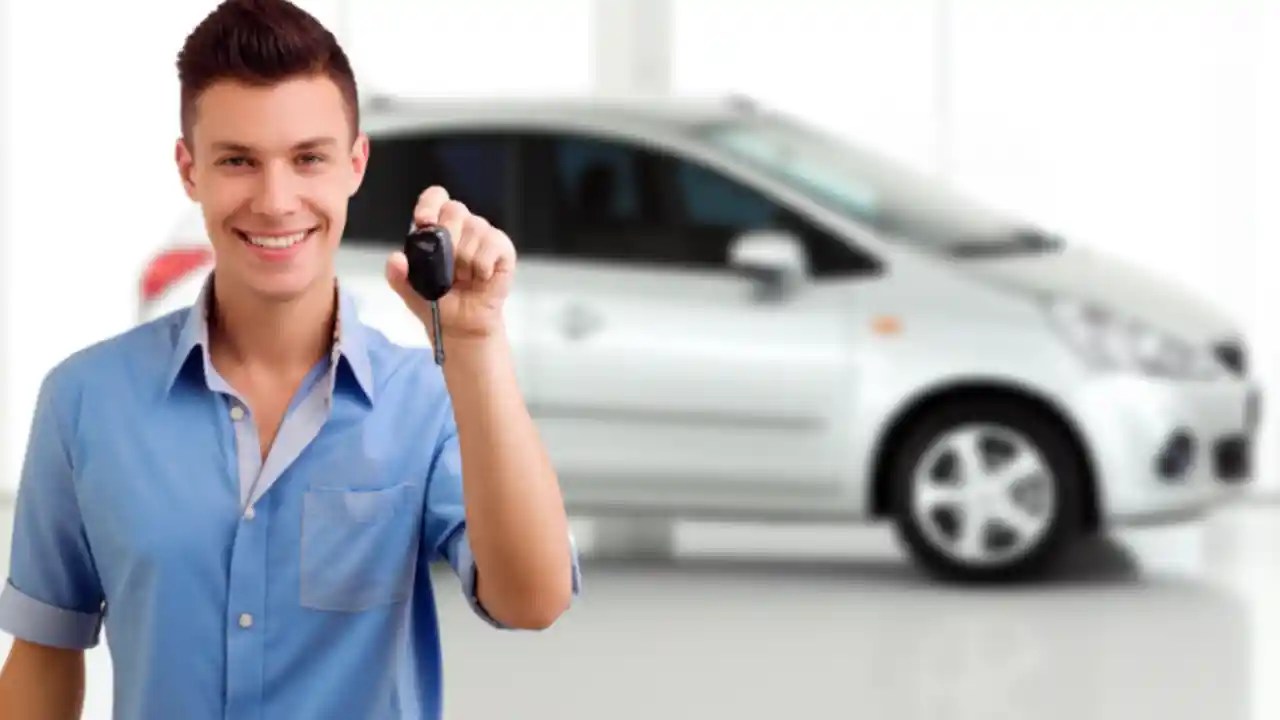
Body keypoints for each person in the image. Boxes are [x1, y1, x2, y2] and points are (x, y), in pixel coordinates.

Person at [0, 0, 581, 717]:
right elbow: (44, 655)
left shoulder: (425, 403)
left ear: (355, 164)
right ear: (189, 170)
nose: (276, 201)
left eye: (308, 158)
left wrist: (476, 342)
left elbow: (532, 601)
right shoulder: (85, 402)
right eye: (238, 161)